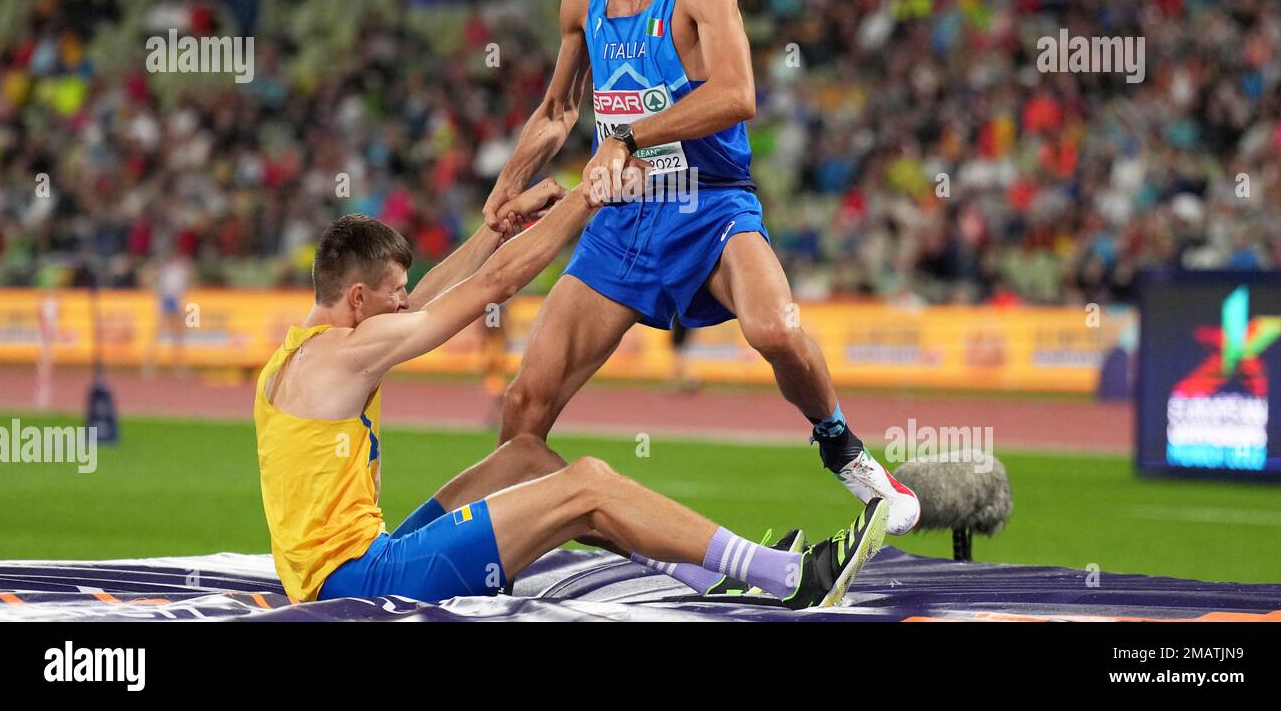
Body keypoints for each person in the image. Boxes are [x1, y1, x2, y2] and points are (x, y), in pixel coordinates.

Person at [482, 0, 920, 542]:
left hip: (708, 204)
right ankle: (577, 539)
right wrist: (506, 185)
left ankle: (846, 451)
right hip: (621, 219)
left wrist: (627, 138)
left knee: (775, 329)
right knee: (523, 406)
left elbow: (737, 93)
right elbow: (561, 109)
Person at [254, 181, 888, 609]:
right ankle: (785, 579)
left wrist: (495, 228)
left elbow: (426, 301)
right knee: (587, 483)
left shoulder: (299, 356)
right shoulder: (347, 353)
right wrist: (589, 197)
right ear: (359, 301)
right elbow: (492, 287)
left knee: (524, 456)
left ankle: (703, 572)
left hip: (339, 572)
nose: (405, 301)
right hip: (365, 583)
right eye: (393, 293)